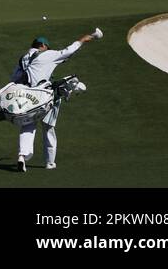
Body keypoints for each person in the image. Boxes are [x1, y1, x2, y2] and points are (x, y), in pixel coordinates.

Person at [12, 28, 101, 172]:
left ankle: (22, 156)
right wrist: (84, 39)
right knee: (48, 128)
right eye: (47, 46)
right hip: (44, 97)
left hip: (27, 98)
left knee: (27, 127)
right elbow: (68, 51)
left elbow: (14, 79)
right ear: (42, 46)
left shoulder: (22, 59)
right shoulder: (46, 54)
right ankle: (50, 162)